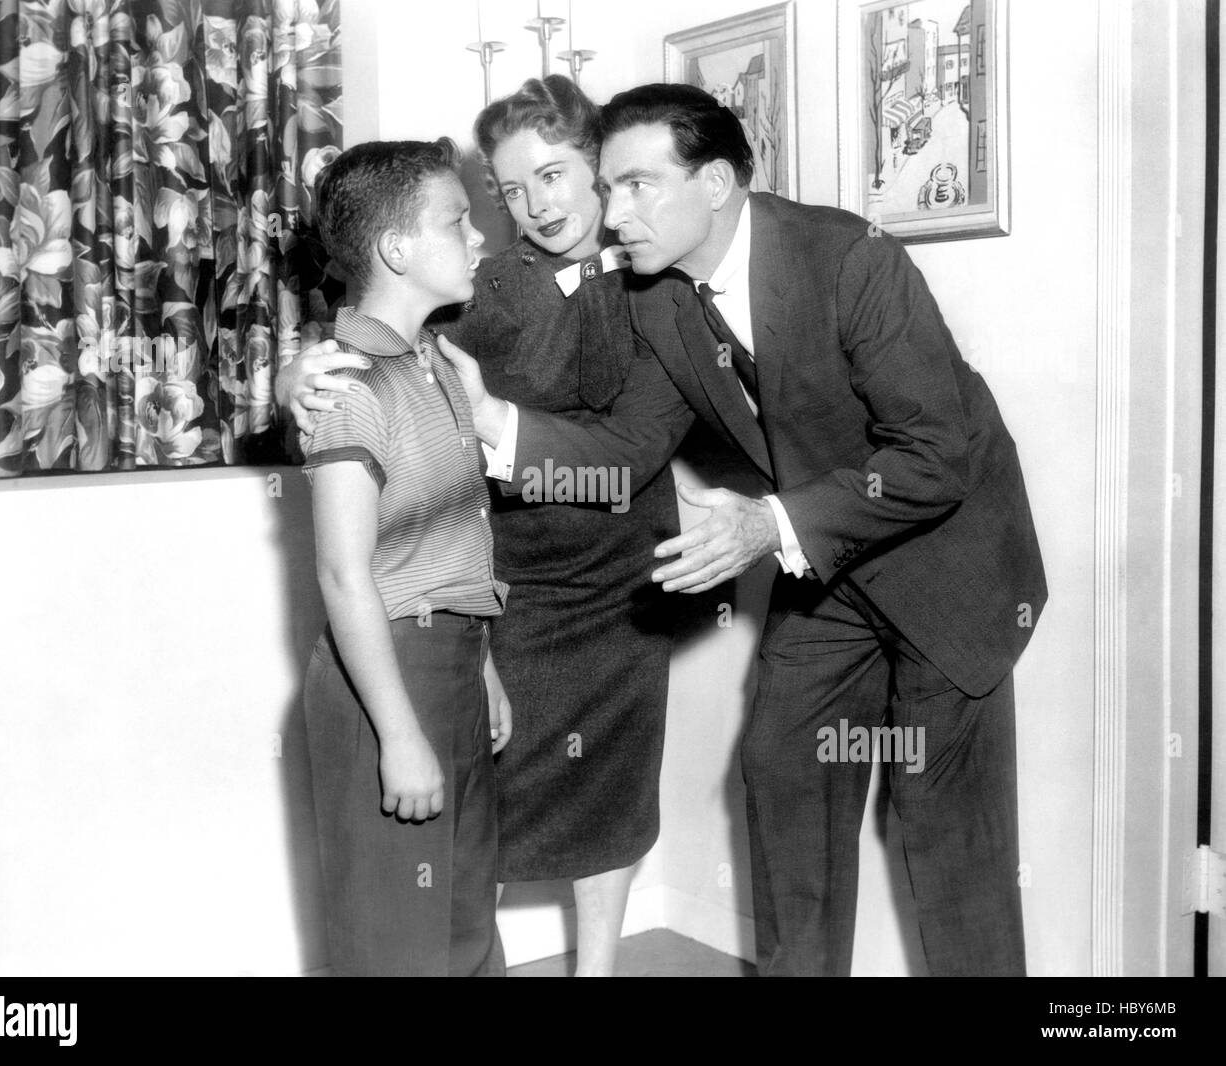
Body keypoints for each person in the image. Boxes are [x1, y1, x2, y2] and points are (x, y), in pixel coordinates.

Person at [442, 83, 1049, 977]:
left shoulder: (849, 261)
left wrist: (771, 525)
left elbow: (935, 456)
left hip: (947, 561)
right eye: (607, 187)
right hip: (829, 566)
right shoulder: (659, 297)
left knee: (944, 828)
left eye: (636, 186)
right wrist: (493, 419)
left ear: (717, 182)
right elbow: (628, 444)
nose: (612, 214)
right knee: (783, 773)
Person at [281, 78, 679, 977]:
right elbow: (369, 352)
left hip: (598, 594)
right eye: (502, 195)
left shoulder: (667, 289)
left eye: (553, 176)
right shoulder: (477, 290)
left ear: (603, 171)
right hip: (483, 604)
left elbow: (631, 447)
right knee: (427, 891)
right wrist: (297, 381)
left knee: (524, 859)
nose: (527, 209)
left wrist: (495, 422)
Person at [300, 137, 509, 976]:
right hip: (384, 676)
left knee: (464, 925)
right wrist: (398, 733)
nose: (478, 238)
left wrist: (481, 664)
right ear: (397, 249)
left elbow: (449, 543)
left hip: (451, 664)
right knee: (397, 946)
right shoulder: (346, 384)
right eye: (457, 222)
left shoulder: (439, 365)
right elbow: (344, 574)